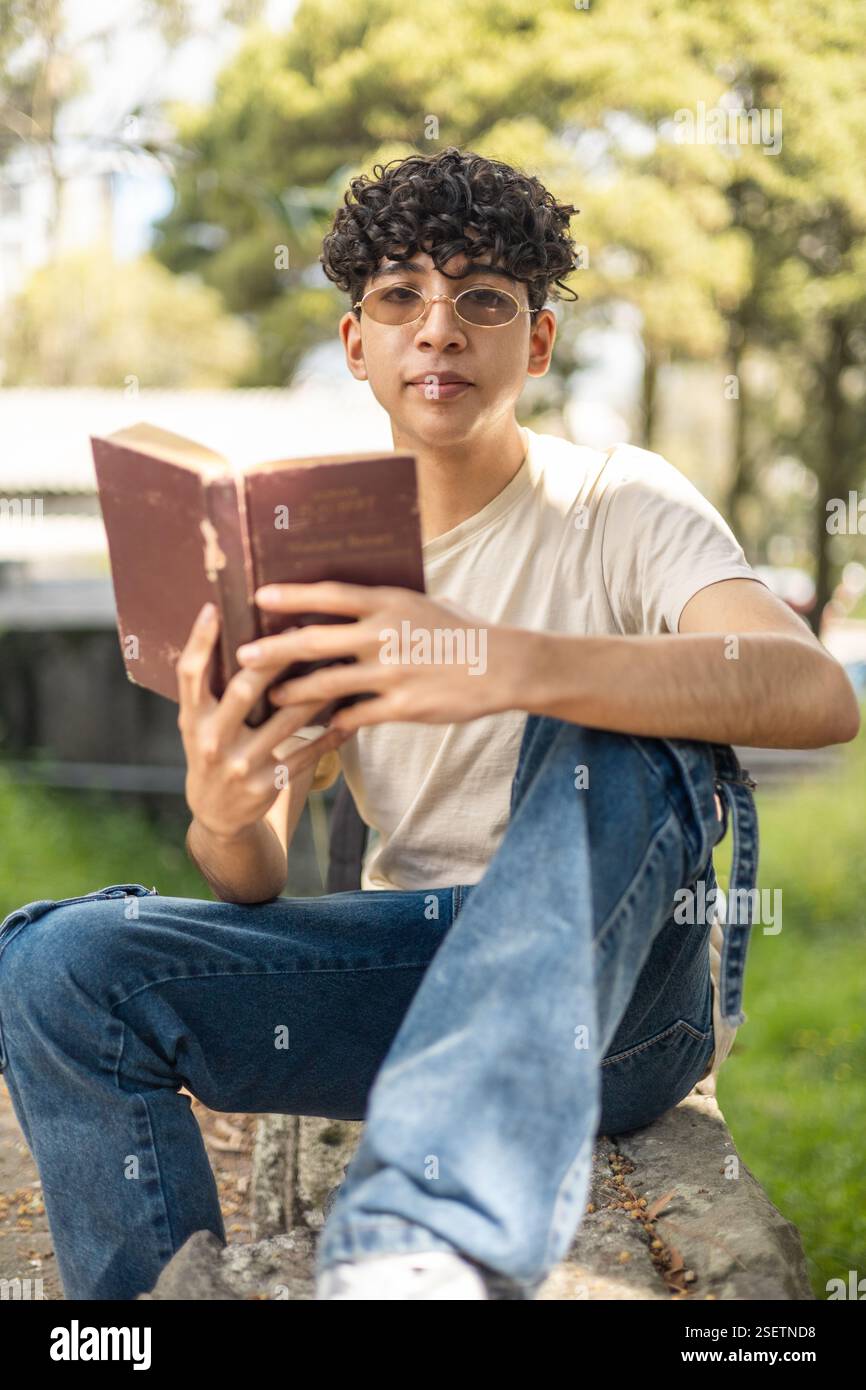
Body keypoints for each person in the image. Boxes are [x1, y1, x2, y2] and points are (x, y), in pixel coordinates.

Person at [0, 147, 859, 1303]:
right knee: (58, 961)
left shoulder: (620, 499)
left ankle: (423, 1239)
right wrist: (220, 804)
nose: (438, 328)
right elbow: (248, 879)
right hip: (410, 967)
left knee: (609, 725)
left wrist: (497, 664)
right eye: (399, 296)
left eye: (483, 300)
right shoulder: (315, 556)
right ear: (356, 342)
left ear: (536, 343)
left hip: (614, 1007)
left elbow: (811, 693)